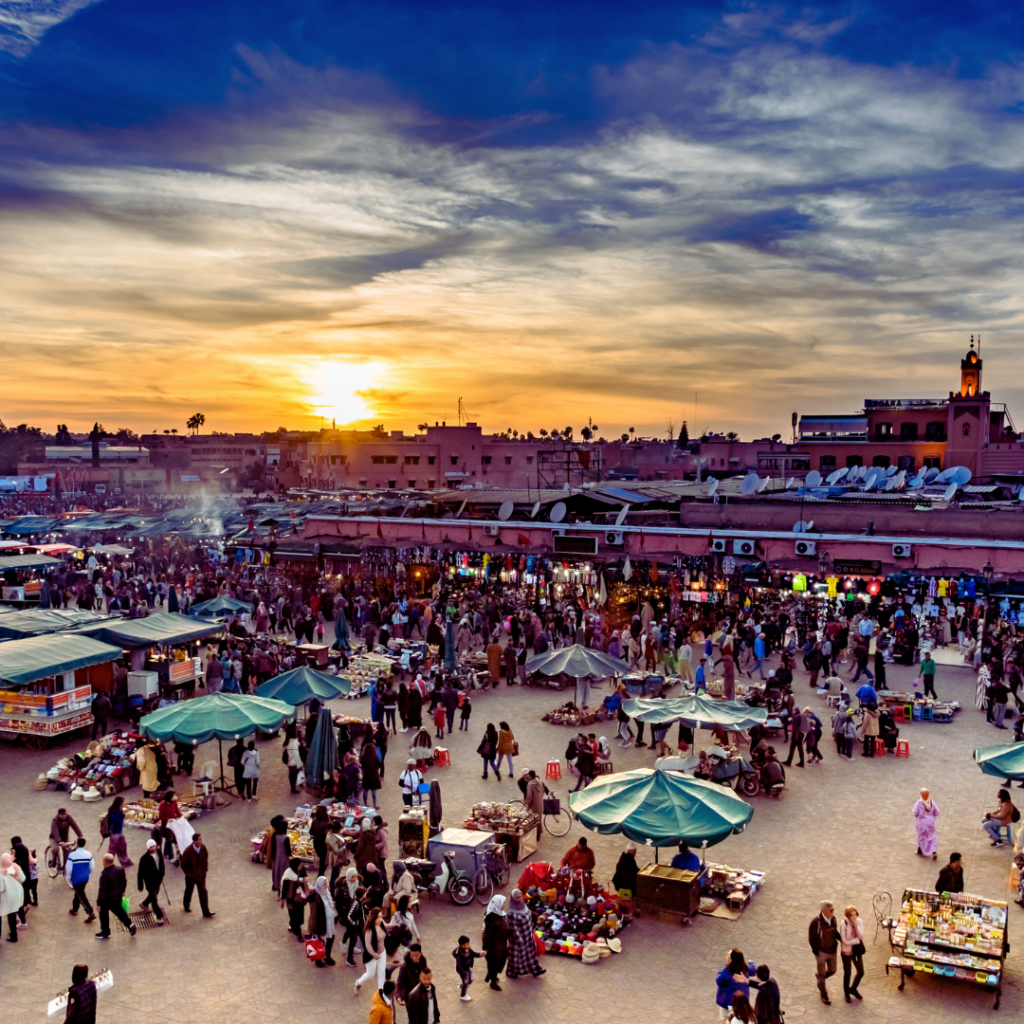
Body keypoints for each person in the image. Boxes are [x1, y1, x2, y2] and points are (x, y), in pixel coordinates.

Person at [504, 889, 545, 978]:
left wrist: (531, 932)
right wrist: (520, 941)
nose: (520, 899)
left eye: (521, 896)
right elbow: (514, 929)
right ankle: (511, 973)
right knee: (516, 959)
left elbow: (530, 918)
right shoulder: (511, 913)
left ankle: (535, 970)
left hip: (527, 936)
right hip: (517, 940)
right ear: (513, 899)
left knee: (530, 955)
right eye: (517, 897)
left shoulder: (523, 907)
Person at [95, 852, 136, 939]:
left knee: (104, 915)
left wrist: (99, 904)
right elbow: (124, 881)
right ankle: (130, 924)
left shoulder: (104, 875)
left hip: (107, 899)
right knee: (120, 911)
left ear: (105, 862)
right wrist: (123, 891)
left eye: (103, 860)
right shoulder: (120, 869)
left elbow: (102, 891)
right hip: (117, 896)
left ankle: (106, 932)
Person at [808, 900, 840, 1005]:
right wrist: (816, 951)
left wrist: (842, 939)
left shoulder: (833, 919)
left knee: (833, 970)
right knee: (821, 973)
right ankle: (823, 993)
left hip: (832, 951)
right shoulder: (815, 923)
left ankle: (820, 980)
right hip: (821, 952)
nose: (833, 912)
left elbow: (835, 932)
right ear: (824, 910)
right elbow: (811, 939)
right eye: (831, 910)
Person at [354, 905, 388, 996]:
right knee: (370, 974)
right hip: (371, 955)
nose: (381, 919)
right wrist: (374, 954)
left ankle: (381, 992)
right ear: (374, 918)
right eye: (379, 917)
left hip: (382, 952)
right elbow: (367, 945)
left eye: (381, 916)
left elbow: (387, 926)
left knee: (382, 972)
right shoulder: (369, 930)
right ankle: (358, 982)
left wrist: (396, 925)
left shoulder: (381, 924)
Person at [180, 833, 215, 917]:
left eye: (201, 839)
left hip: (201, 876)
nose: (201, 841)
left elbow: (206, 858)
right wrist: (189, 874)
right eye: (200, 840)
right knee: (189, 891)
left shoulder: (203, 848)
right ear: (195, 841)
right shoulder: (188, 851)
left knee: (203, 892)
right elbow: (183, 864)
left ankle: (206, 912)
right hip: (191, 877)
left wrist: (205, 870)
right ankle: (186, 905)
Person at [308, 875, 337, 967]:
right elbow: (314, 914)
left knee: (331, 938)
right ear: (320, 885)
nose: (326, 886)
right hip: (320, 922)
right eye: (324, 884)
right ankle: (318, 959)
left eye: (327, 883)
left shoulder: (326, 893)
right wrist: (314, 929)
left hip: (329, 922)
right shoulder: (315, 897)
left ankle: (327, 956)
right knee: (319, 940)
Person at [66, 836, 96, 923]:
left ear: (77, 844)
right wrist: (87, 873)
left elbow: (69, 868)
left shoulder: (72, 855)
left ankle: (90, 912)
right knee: (78, 893)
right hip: (85, 878)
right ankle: (74, 909)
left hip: (76, 879)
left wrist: (68, 878)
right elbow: (92, 866)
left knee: (81, 896)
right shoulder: (88, 854)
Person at [839, 905, 865, 1002]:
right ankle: (846, 992)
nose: (854, 917)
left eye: (855, 914)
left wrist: (856, 925)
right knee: (848, 972)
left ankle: (853, 989)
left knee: (861, 972)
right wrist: (856, 940)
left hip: (856, 950)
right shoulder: (844, 923)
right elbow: (844, 940)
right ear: (847, 916)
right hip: (846, 951)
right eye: (851, 915)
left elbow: (861, 936)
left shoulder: (859, 921)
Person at [482, 894, 508, 991]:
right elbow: (487, 934)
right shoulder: (491, 918)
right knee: (494, 962)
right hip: (494, 946)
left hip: (502, 943)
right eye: (502, 903)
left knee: (501, 961)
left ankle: (491, 974)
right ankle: (493, 982)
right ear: (497, 904)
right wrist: (485, 948)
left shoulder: (501, 913)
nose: (504, 905)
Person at [716, 949, 750, 1021]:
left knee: (725, 1019)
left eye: (728, 955)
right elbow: (753, 970)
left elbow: (719, 982)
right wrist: (752, 964)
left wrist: (719, 973)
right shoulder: (745, 968)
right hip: (742, 1002)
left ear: (731, 959)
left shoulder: (727, 971)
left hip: (728, 1003)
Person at [136, 839, 165, 924]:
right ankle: (159, 916)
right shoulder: (144, 858)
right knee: (154, 900)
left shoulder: (159, 853)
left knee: (155, 894)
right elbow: (140, 873)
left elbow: (161, 865)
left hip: (158, 880)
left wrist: (162, 874)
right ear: (148, 848)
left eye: (154, 846)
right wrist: (140, 886)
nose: (153, 848)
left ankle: (144, 904)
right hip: (149, 882)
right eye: (151, 847)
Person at [0, 854, 25, 942]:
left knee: (11, 917)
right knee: (18, 909)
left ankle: (13, 936)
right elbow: (23, 878)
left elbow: (1, 888)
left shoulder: (1, 873)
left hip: (9, 896)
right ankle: (23, 923)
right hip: (19, 893)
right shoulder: (16, 867)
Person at [453, 934, 482, 1002]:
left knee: (470, 980)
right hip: (463, 970)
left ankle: (462, 986)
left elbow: (473, 954)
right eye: (467, 944)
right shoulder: (459, 953)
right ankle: (463, 995)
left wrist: (480, 955)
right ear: (462, 945)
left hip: (467, 968)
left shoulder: (468, 949)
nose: (468, 945)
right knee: (466, 981)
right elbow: (459, 964)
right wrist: (463, 973)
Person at [913, 788, 940, 859]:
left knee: (921, 837)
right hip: (930, 823)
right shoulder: (932, 802)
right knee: (932, 836)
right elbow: (937, 811)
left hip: (921, 823)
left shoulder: (919, 803)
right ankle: (934, 851)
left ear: (921, 795)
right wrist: (931, 817)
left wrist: (919, 817)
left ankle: (920, 851)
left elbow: (915, 812)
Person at [523, 769, 544, 840]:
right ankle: (539, 833)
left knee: (533, 819)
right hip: (539, 802)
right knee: (539, 818)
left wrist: (527, 804)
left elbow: (529, 797)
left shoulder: (530, 785)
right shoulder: (540, 781)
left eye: (528, 774)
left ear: (531, 776)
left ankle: (535, 834)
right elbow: (543, 791)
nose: (527, 776)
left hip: (533, 804)